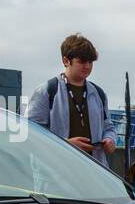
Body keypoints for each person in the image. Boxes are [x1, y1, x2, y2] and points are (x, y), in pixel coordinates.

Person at [26, 34, 118, 168]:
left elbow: (108, 127)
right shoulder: (46, 91)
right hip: (57, 174)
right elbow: (31, 133)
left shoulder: (99, 93)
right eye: (81, 61)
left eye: (90, 62)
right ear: (66, 61)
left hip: (94, 172)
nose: (87, 66)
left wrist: (110, 140)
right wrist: (65, 144)